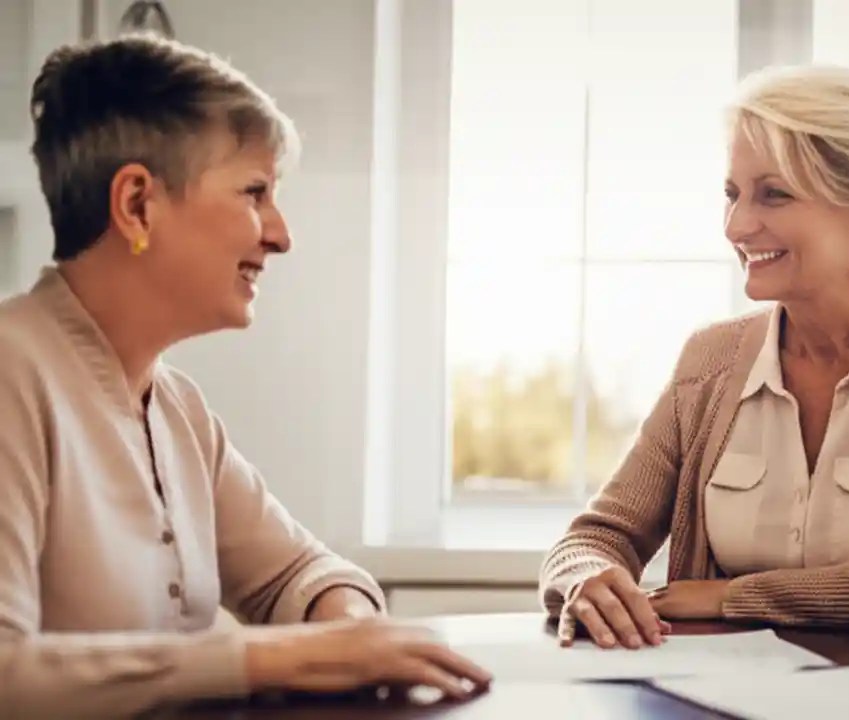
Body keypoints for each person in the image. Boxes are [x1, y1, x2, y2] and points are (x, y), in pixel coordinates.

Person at [0, 36, 490, 717]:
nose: (281, 233)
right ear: (137, 205)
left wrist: (346, 627)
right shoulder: (10, 372)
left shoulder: (178, 409)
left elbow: (298, 572)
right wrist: (276, 658)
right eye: (255, 192)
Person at [539, 64, 849, 650]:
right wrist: (587, 575)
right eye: (732, 193)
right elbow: (597, 535)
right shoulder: (710, 359)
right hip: (714, 696)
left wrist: (731, 597)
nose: (737, 225)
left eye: (773, 194)